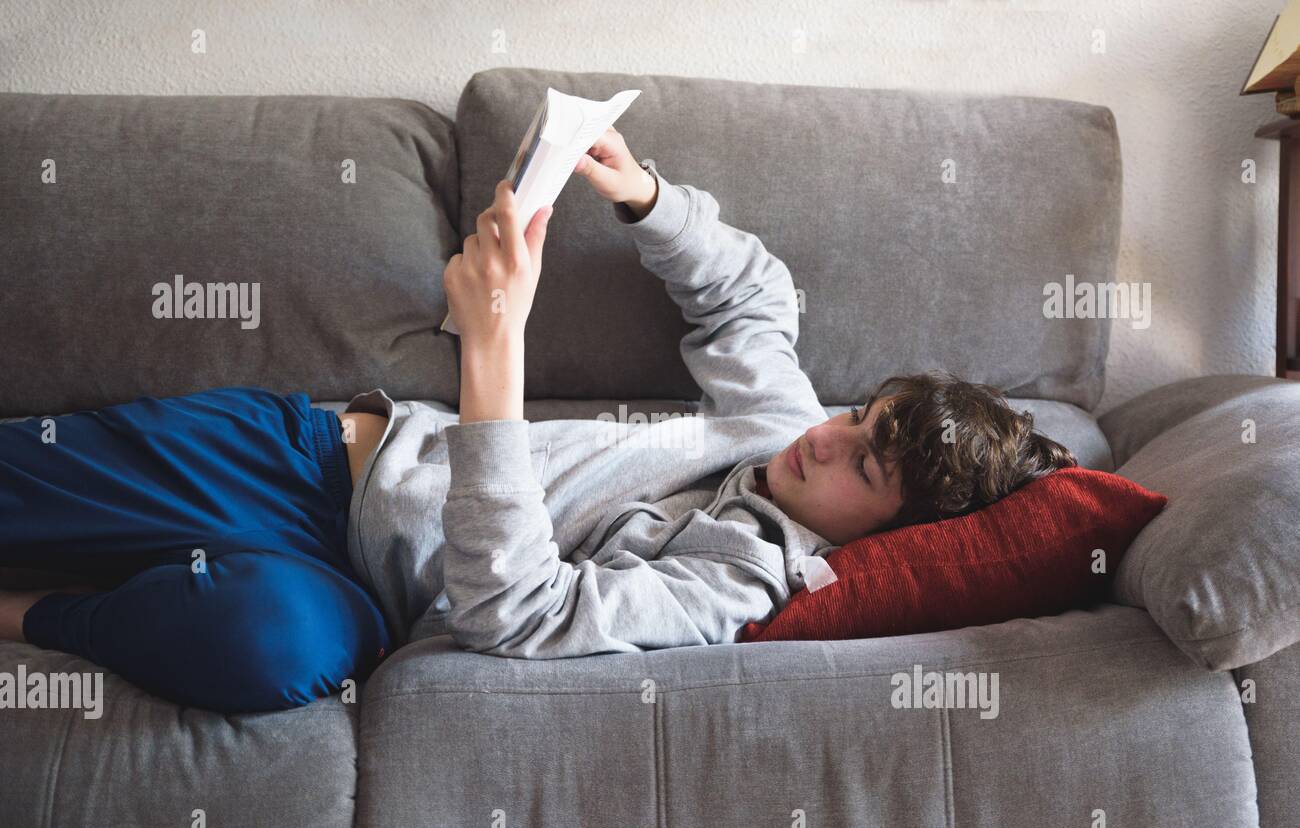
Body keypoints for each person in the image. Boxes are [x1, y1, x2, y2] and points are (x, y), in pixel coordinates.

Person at [0, 128, 1075, 712]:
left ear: (880, 536)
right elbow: (750, 297)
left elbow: (520, 612)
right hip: (311, 460)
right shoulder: (782, 423)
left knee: (267, 643)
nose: (830, 438)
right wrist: (650, 197)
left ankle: (33, 612)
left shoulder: (734, 588)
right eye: (862, 415)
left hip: (357, 597)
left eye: (867, 467)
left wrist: (496, 351)